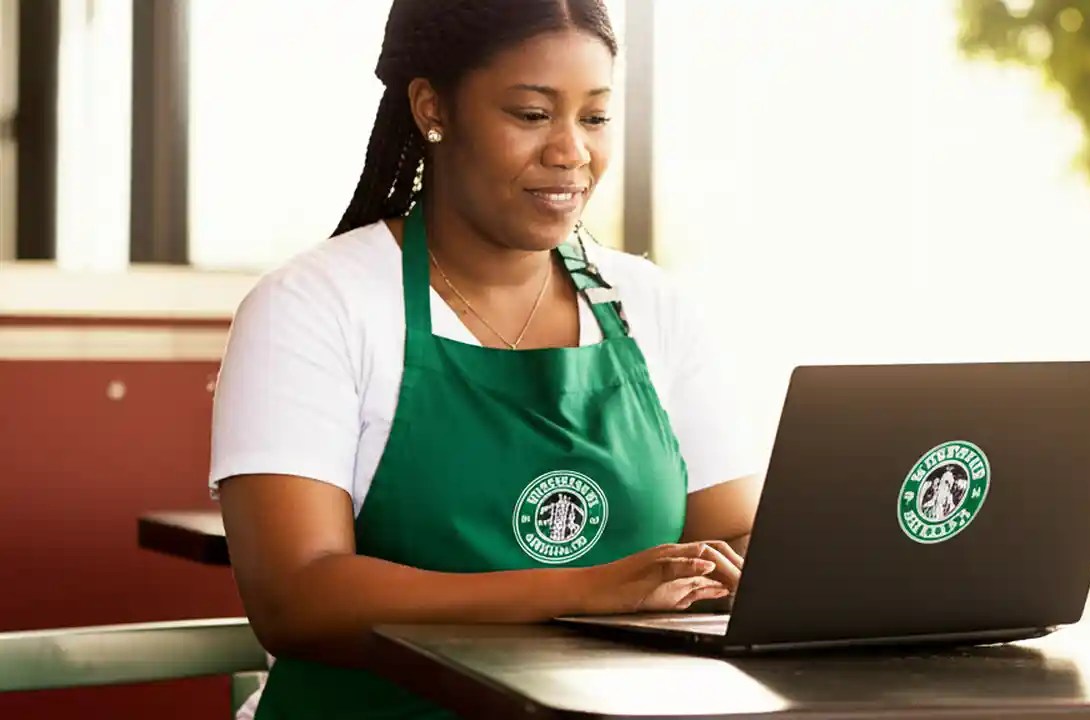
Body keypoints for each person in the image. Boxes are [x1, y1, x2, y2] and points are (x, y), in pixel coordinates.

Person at [209, 1, 762, 717]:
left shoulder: (654, 305)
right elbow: (297, 597)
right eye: (532, 115)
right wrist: (583, 590)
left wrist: (772, 576)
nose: (571, 152)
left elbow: (730, 533)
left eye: (594, 118)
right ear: (432, 107)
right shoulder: (312, 307)